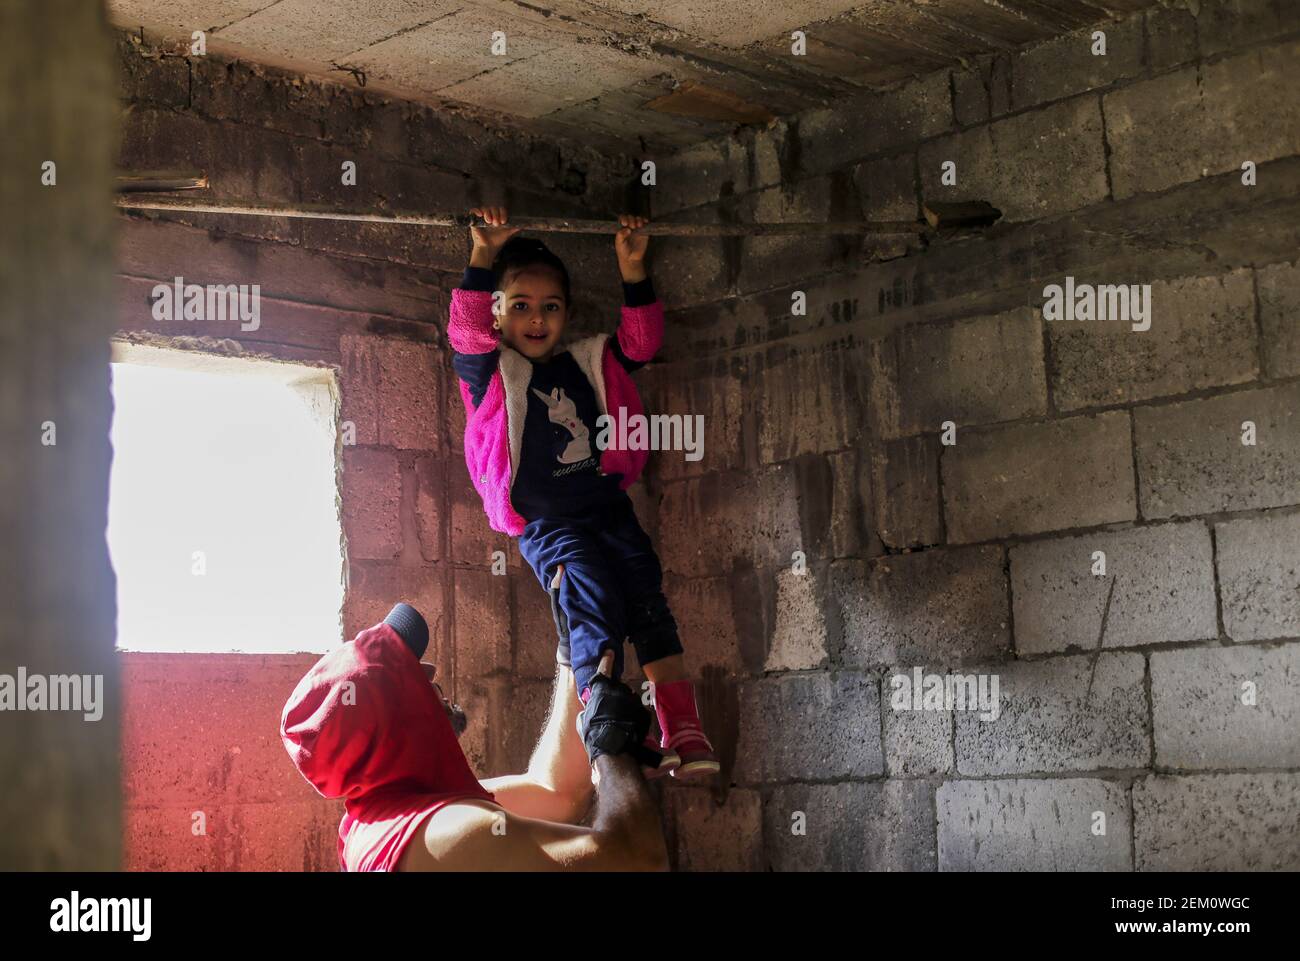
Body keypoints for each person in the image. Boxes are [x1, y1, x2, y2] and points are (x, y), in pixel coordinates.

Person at [448, 206, 718, 779]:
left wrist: (633, 268)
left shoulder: (587, 362)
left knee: (646, 597)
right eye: (519, 305)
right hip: (551, 527)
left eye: (550, 307)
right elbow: (465, 331)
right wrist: (482, 255)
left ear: (567, 314)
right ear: (498, 314)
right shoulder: (491, 373)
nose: (537, 318)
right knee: (590, 593)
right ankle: (603, 708)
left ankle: (683, 728)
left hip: (607, 510)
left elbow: (640, 344)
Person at [281, 602, 668, 871]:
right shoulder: (449, 834)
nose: (431, 671)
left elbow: (556, 792)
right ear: (395, 722)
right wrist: (611, 750)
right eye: (410, 672)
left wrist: (570, 655)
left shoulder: (395, 812)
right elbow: (638, 861)